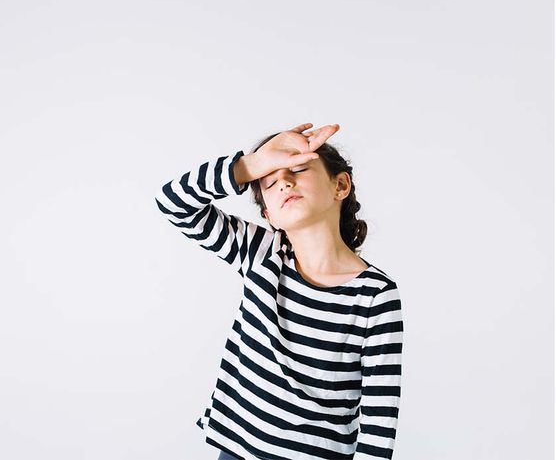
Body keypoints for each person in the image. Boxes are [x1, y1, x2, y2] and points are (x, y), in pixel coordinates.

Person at [154, 123, 404, 460]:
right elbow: (173, 202)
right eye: (270, 182)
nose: (284, 181)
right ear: (268, 214)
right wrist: (252, 164)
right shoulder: (260, 253)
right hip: (237, 452)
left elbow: (379, 420)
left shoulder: (376, 295)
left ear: (340, 185)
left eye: (299, 169)